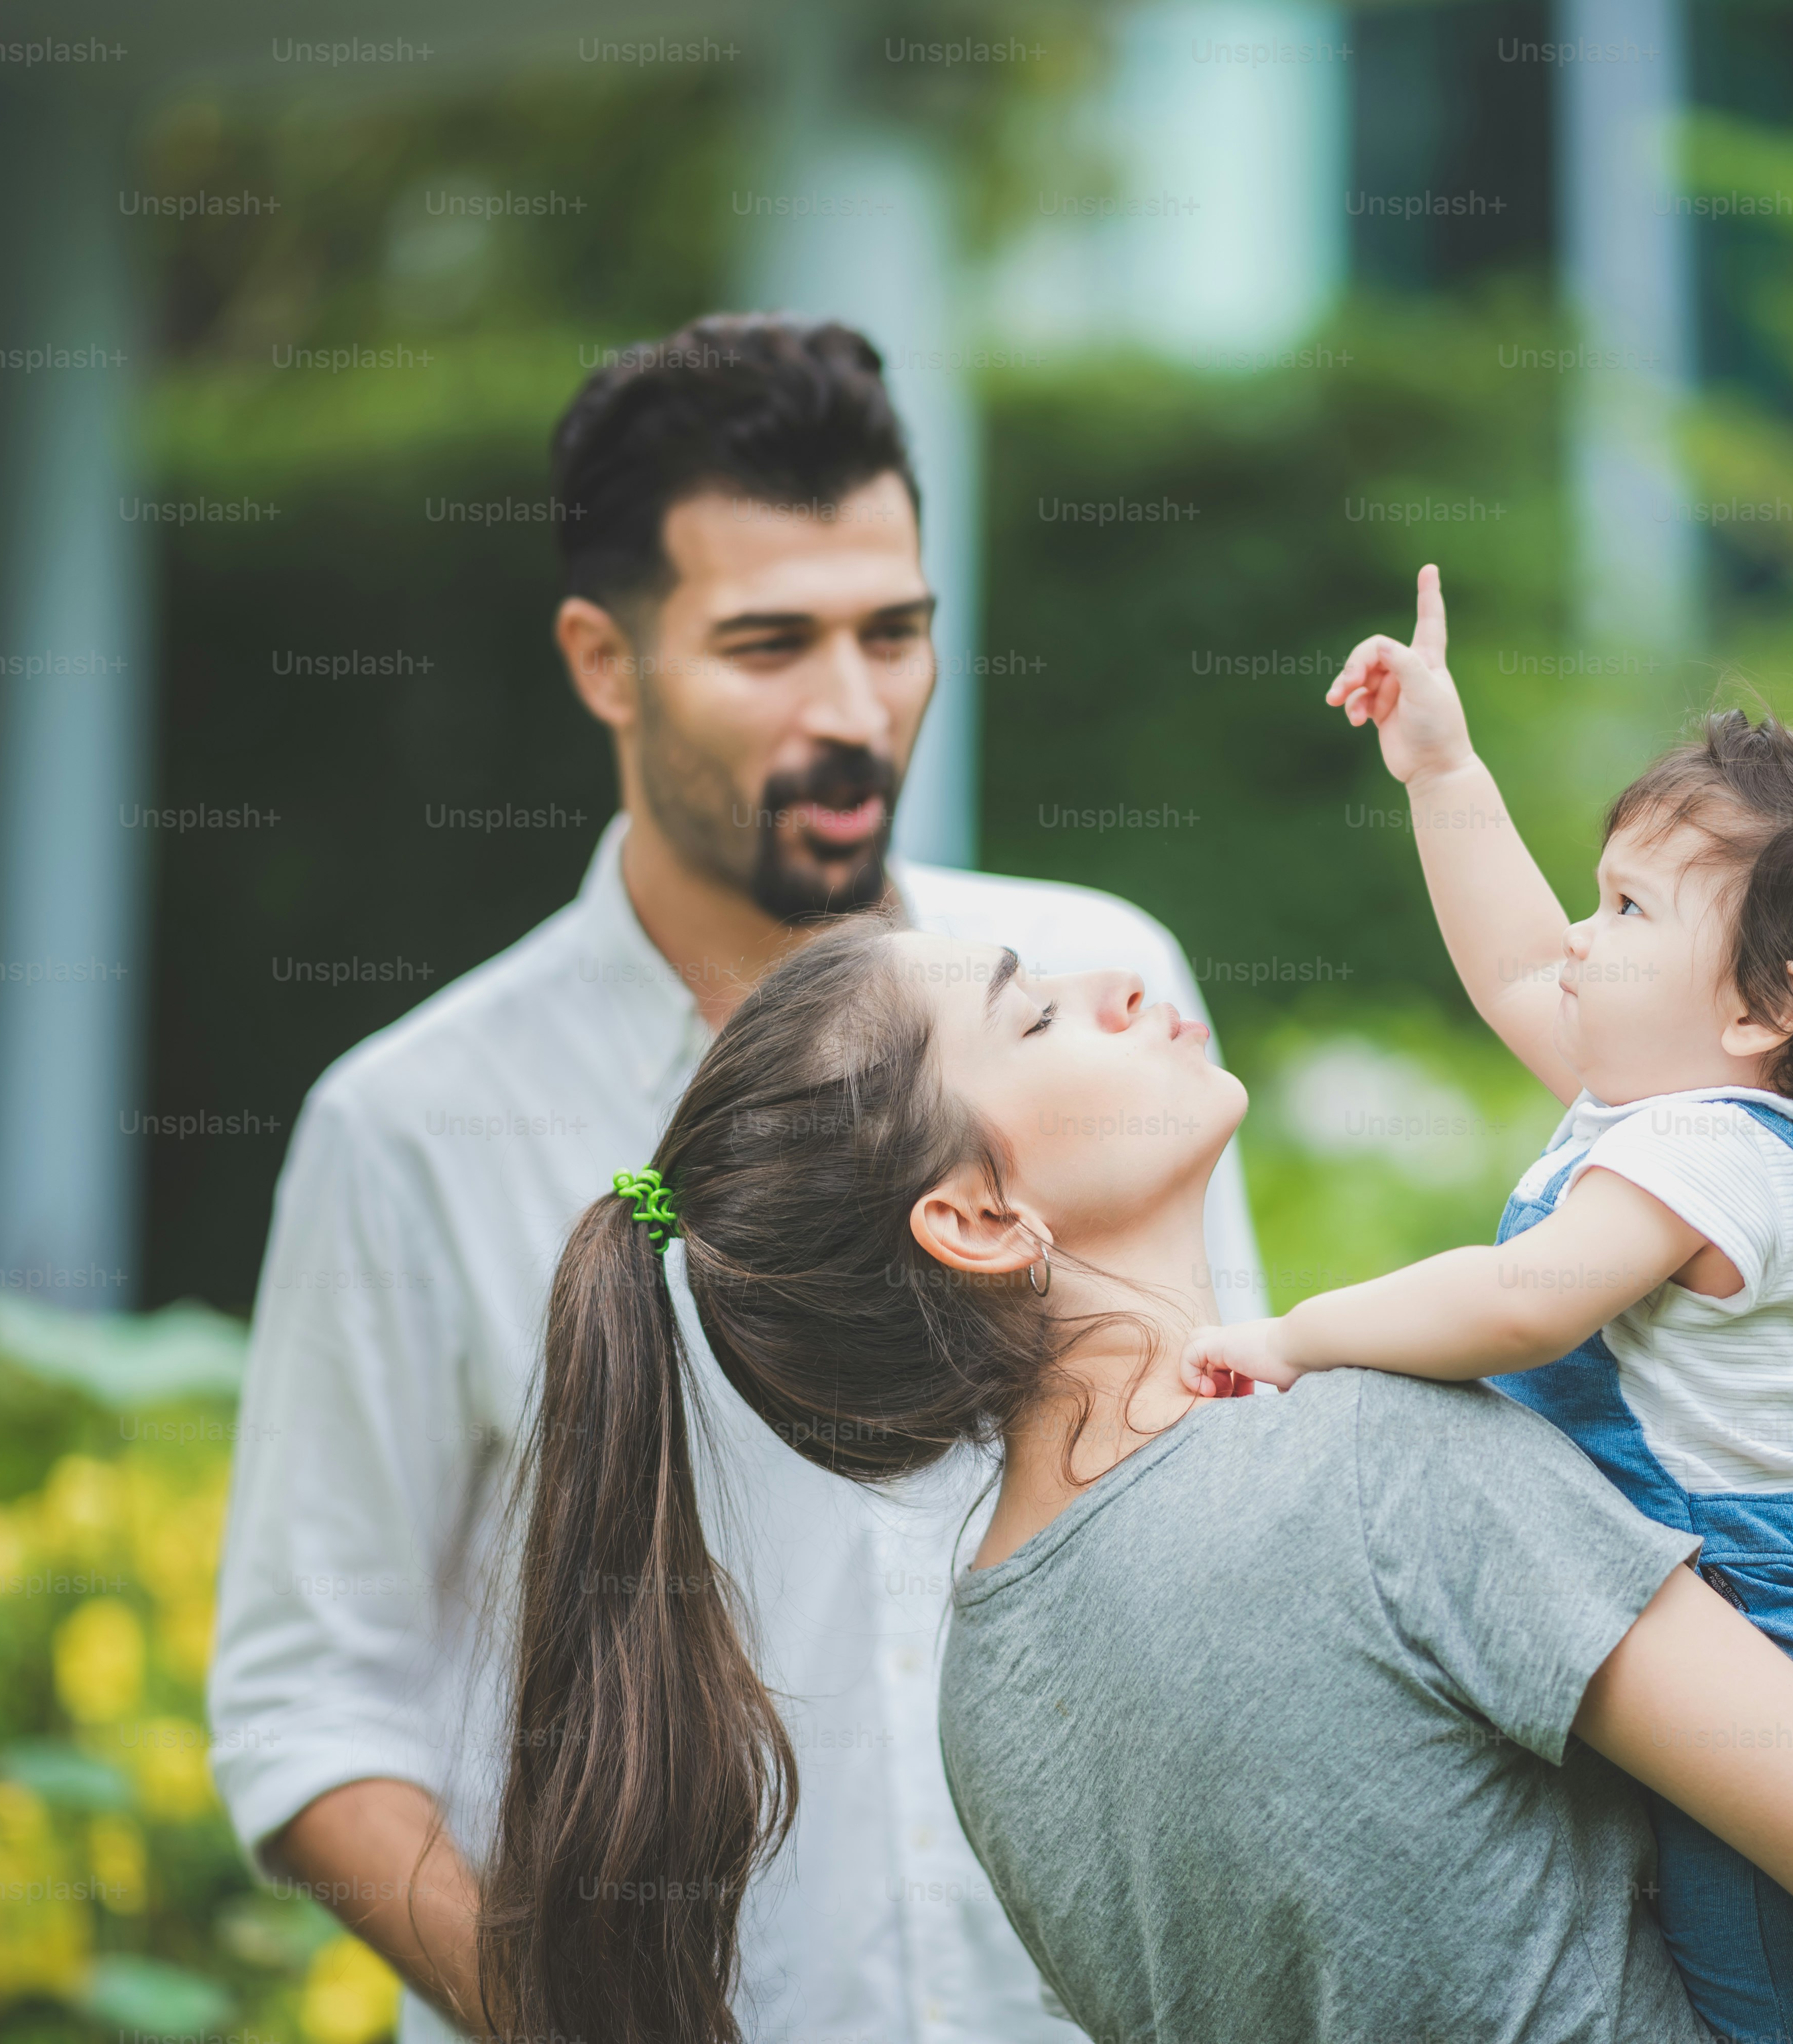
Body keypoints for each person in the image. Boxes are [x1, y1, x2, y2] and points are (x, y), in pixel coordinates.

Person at [204, 316, 1265, 2044]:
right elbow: (309, 1717)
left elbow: (1239, 1479)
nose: (851, 713)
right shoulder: (407, 1125)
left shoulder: (1110, 987)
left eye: (895, 634)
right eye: (769, 645)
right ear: (604, 661)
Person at [483, 915, 1793, 2044]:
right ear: (980, 1219)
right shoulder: (1378, 1463)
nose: (1123, 984)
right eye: (1036, 1019)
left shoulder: (985, 1696)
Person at [1181, 567, 1793, 2044]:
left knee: (1759, 1995)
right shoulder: (1668, 1103)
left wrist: (1296, 1335)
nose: (1580, 934)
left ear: (1766, 1010)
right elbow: (1515, 959)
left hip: (1774, 1637)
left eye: (1626, 908)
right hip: (1681, 1596)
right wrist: (1444, 766)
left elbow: (1523, 1305)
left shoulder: (1721, 1155)